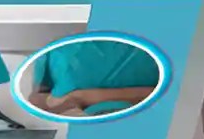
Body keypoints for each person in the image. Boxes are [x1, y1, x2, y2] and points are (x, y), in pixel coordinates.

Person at [27, 39, 161, 117]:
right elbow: (37, 100)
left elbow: (174, 94)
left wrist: (80, 97)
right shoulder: (56, 49)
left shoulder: (155, 44)